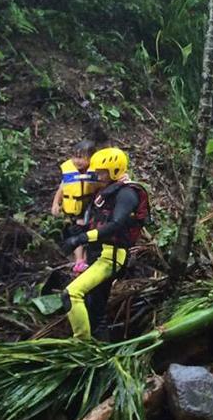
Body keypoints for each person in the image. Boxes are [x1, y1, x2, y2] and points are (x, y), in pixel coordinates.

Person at [60, 147, 150, 340]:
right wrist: (80, 231)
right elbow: (100, 223)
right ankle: (101, 347)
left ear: (114, 171)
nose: (98, 175)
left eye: (102, 172)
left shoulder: (126, 194)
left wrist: (82, 238)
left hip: (110, 256)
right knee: (95, 308)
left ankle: (82, 343)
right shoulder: (106, 194)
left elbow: (116, 224)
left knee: (71, 294)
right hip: (97, 254)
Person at [51, 140, 99, 274]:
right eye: (75, 157)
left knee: (88, 233)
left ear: (91, 158)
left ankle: (86, 260)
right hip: (74, 209)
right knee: (76, 232)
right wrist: (55, 204)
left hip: (90, 208)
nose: (77, 161)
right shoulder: (69, 172)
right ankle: (79, 260)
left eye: (82, 157)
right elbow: (62, 189)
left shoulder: (96, 171)